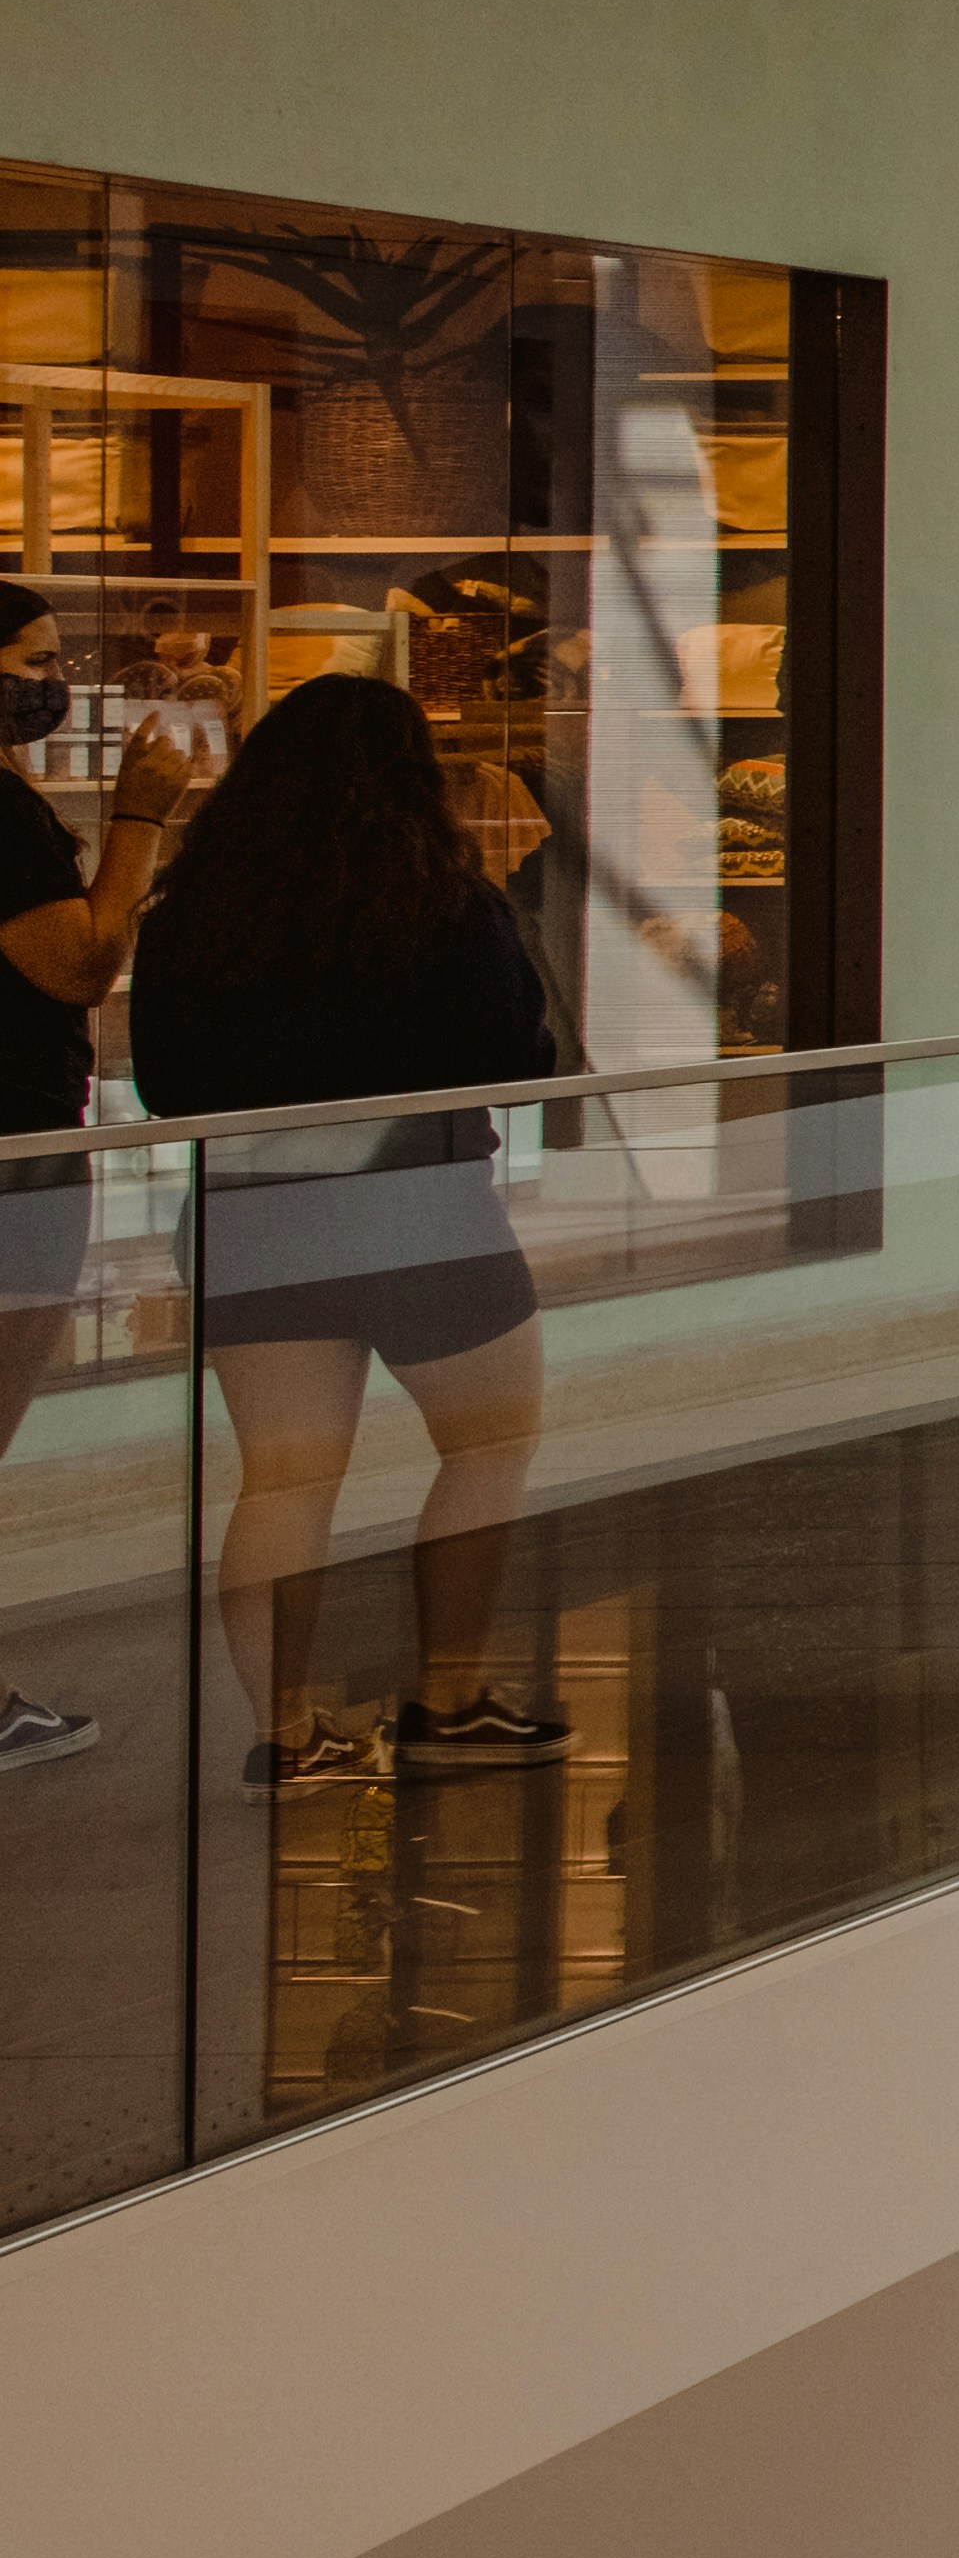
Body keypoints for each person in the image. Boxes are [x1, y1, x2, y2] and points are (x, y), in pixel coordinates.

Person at [150, 674, 570, 1790]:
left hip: (250, 1215)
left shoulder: (194, 913)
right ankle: (451, 1702)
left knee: (283, 1480)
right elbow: (519, 1059)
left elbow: (164, 1086)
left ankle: (287, 1736)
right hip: (419, 1211)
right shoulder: (447, 902)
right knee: (487, 1448)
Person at [0, 591, 206, 1777]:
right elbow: (80, 962)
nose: (54, 679)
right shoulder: (1, 817)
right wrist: (138, 821)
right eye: (35, 660)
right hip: (16, 1146)